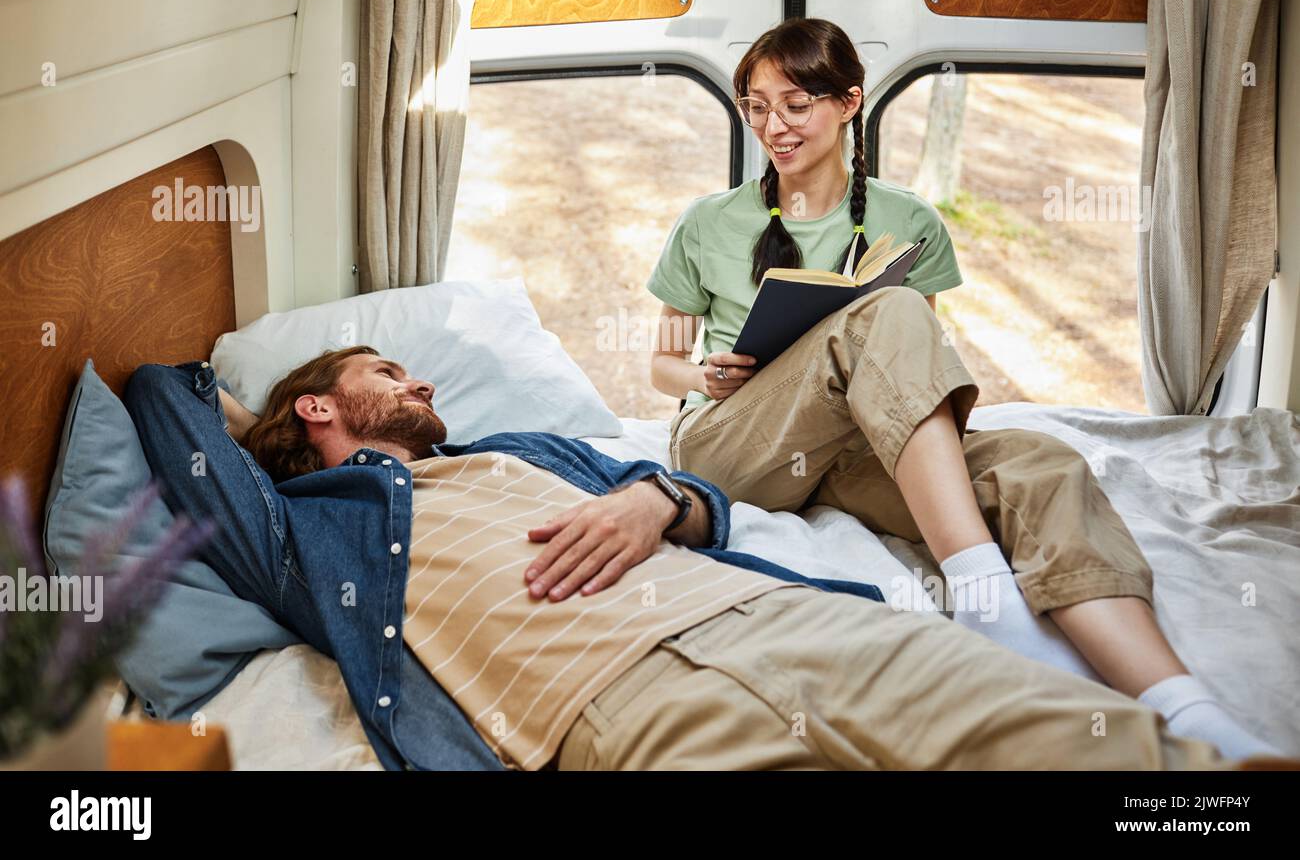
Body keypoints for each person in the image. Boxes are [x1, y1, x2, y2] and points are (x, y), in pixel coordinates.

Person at [124, 350, 1278, 770]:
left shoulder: (526, 449)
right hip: (611, 712)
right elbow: (161, 395)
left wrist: (650, 499)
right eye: (388, 372)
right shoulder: (299, 526)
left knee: (1135, 761)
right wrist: (252, 408)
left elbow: (708, 497)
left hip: (791, 624)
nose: (422, 384)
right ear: (322, 399)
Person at [645, 17, 1280, 761]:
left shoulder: (908, 220)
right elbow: (661, 366)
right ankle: (989, 602)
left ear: (849, 102)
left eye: (795, 104)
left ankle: (1189, 707)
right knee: (884, 311)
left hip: (850, 453)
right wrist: (704, 376)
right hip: (732, 448)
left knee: (1042, 464)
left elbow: (916, 365)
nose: (773, 126)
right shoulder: (709, 223)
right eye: (756, 107)